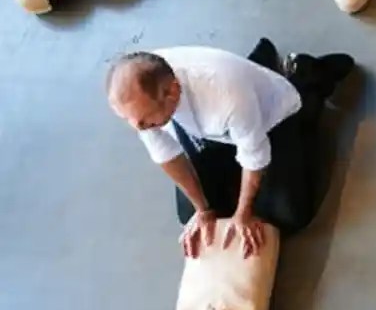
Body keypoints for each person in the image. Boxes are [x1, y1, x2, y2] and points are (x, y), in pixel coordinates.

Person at [106, 39, 354, 257]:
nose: (136, 127)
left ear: (172, 91)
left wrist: (243, 213)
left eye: (142, 121)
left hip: (272, 118)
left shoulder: (225, 94)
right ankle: (260, 61)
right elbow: (167, 155)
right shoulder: (142, 96)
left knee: (289, 215)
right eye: (128, 119)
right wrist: (202, 210)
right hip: (214, 131)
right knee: (191, 215)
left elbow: (255, 156)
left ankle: (306, 75)